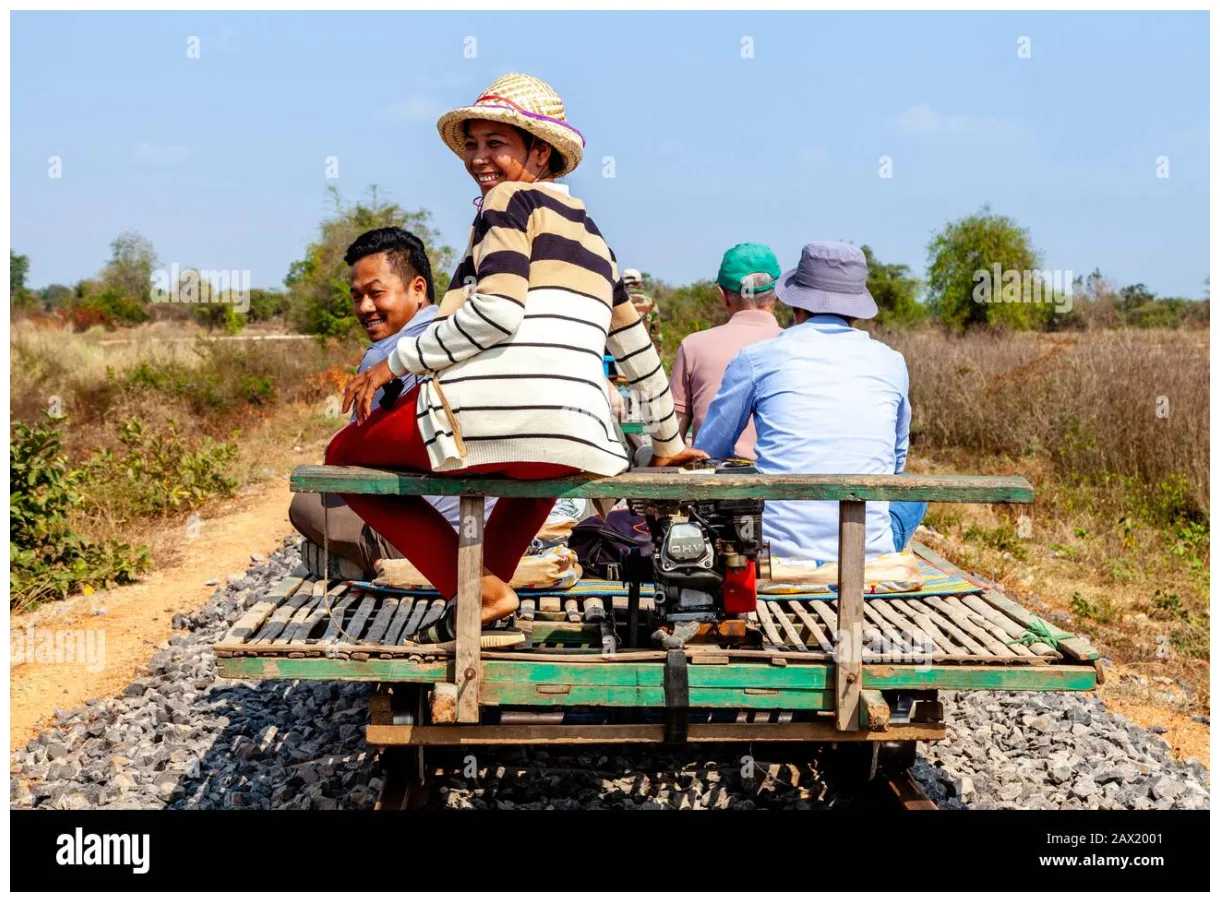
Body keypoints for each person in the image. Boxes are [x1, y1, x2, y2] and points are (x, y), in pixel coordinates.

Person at [326, 73, 705, 643]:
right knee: (541, 461)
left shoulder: (506, 203)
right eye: (472, 144)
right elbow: (636, 348)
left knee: (344, 459)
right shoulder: (595, 239)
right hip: (580, 438)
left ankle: (474, 590)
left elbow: (497, 313)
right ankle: (484, 598)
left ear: (540, 151)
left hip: (490, 414)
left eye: (495, 144)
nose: (479, 158)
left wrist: (394, 363)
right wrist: (669, 445)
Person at [695, 241, 926, 563]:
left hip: (779, 551)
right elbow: (897, 464)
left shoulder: (758, 357)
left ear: (795, 304)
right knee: (912, 494)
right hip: (866, 552)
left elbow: (710, 450)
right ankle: (878, 551)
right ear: (855, 309)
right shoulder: (891, 361)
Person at [288, 228, 494, 579]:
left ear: (417, 288)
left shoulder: (383, 359)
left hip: (437, 535)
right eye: (357, 297)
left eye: (375, 294)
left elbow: (360, 467)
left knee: (306, 502)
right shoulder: (464, 333)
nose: (365, 308)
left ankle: (375, 561)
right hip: (496, 523)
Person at [669, 243, 783, 458]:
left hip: (712, 480)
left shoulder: (694, 345)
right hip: (781, 483)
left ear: (722, 294)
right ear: (777, 294)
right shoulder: (797, 347)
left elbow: (672, 439)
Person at [622, 268, 662, 352]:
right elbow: (656, 333)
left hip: (617, 354)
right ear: (639, 283)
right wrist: (657, 352)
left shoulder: (614, 300)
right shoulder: (650, 302)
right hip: (644, 352)